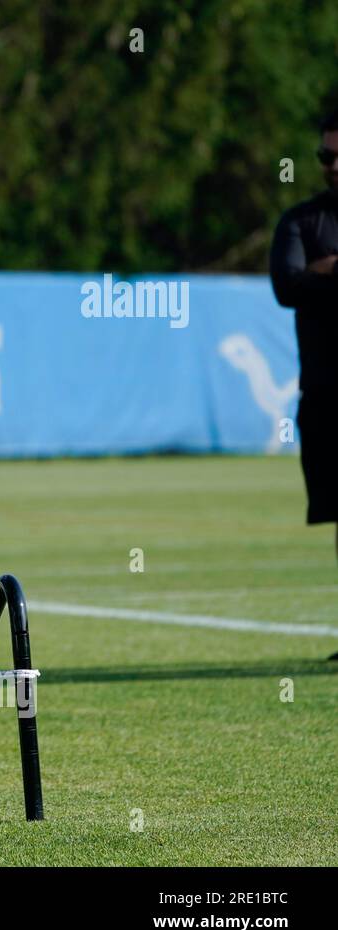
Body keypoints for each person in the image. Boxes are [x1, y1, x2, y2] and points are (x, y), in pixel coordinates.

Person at [270, 107, 338, 660]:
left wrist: (328, 270)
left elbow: (310, 278)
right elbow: (288, 285)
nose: (332, 166)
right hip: (327, 392)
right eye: (324, 157)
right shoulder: (302, 221)